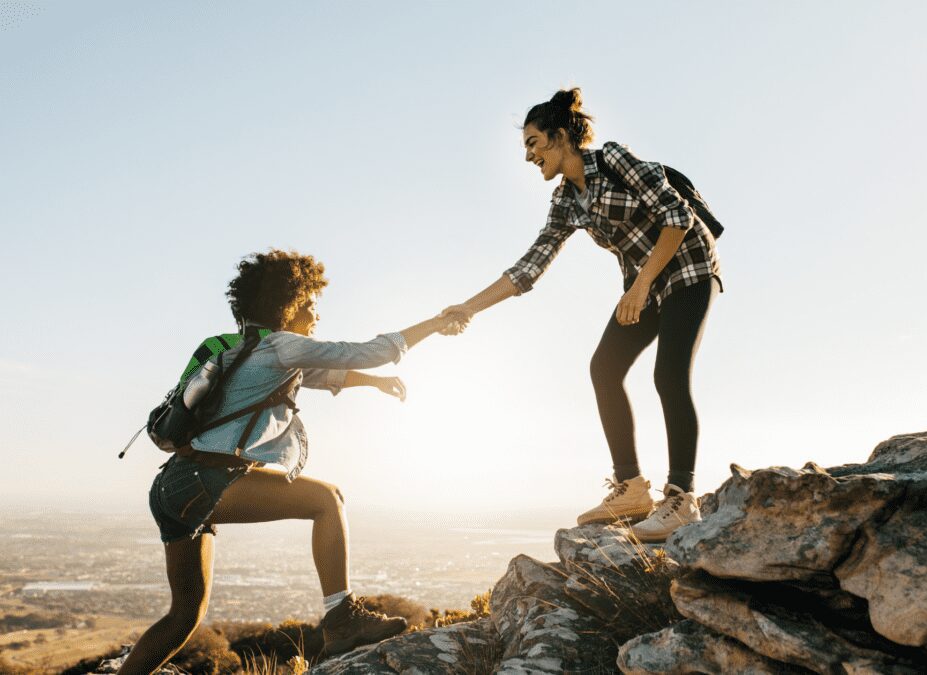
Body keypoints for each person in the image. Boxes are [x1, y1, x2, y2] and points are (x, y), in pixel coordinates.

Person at [119, 249, 463, 673]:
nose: (317, 315)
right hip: (208, 482)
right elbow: (367, 351)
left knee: (184, 616)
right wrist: (434, 324)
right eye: (312, 304)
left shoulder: (246, 351)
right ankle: (341, 618)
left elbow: (326, 375)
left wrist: (374, 383)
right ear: (292, 303)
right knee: (327, 499)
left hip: (174, 489)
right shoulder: (282, 347)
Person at [441, 88, 721, 543]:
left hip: (688, 268)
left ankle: (681, 498)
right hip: (644, 287)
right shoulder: (566, 202)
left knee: (668, 375)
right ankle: (631, 489)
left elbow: (678, 216)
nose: (529, 155)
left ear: (559, 136)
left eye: (533, 143)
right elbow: (528, 268)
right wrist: (467, 308)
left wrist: (641, 284)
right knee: (604, 368)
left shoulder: (614, 159)